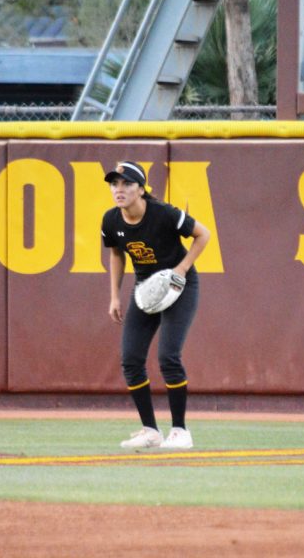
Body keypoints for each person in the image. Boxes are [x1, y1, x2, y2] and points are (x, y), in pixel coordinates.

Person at [101, 161, 211, 450]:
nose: (119, 190)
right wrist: (114, 295)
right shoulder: (111, 220)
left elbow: (204, 234)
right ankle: (150, 430)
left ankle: (180, 431)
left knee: (168, 357)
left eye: (127, 184)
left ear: (141, 189)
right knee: (131, 359)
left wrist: (183, 269)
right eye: (115, 184)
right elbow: (116, 254)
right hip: (146, 290)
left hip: (180, 286)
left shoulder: (163, 213)